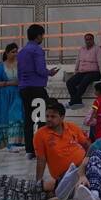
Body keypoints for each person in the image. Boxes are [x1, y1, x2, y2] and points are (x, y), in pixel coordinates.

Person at [33, 100, 91, 196]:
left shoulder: (72, 127)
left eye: (53, 116)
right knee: (80, 186)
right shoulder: (40, 134)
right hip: (66, 175)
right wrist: (38, 183)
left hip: (84, 166)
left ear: (62, 117)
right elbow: (41, 160)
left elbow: (87, 144)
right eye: (47, 116)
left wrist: (87, 159)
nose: (49, 119)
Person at [17, 24, 59, 159]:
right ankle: (40, 148)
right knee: (41, 119)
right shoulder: (37, 50)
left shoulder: (22, 51)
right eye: (42, 35)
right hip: (36, 88)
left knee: (28, 119)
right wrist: (50, 73)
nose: (43, 38)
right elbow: (40, 70)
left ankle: (29, 150)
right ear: (38, 36)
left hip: (24, 89)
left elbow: (19, 72)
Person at [66, 32, 101, 108]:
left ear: (93, 40)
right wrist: (75, 72)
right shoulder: (82, 49)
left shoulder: (97, 49)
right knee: (69, 82)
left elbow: (100, 62)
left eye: (90, 39)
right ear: (85, 40)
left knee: (84, 82)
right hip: (82, 72)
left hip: (94, 73)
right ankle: (77, 101)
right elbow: (78, 61)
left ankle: (73, 102)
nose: (88, 41)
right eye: (86, 39)